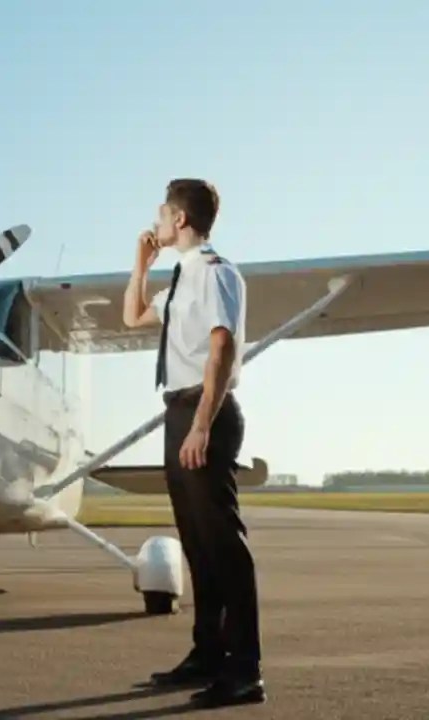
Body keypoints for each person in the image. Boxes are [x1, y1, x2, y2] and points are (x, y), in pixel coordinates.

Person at [122, 178, 265, 708]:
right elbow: (133, 316)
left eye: (161, 215)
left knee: (224, 545)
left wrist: (203, 424)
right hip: (178, 411)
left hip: (206, 411)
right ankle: (208, 655)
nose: (156, 225)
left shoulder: (215, 272)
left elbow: (222, 347)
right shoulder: (180, 278)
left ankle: (245, 670)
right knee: (198, 547)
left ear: (179, 220)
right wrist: (141, 264)